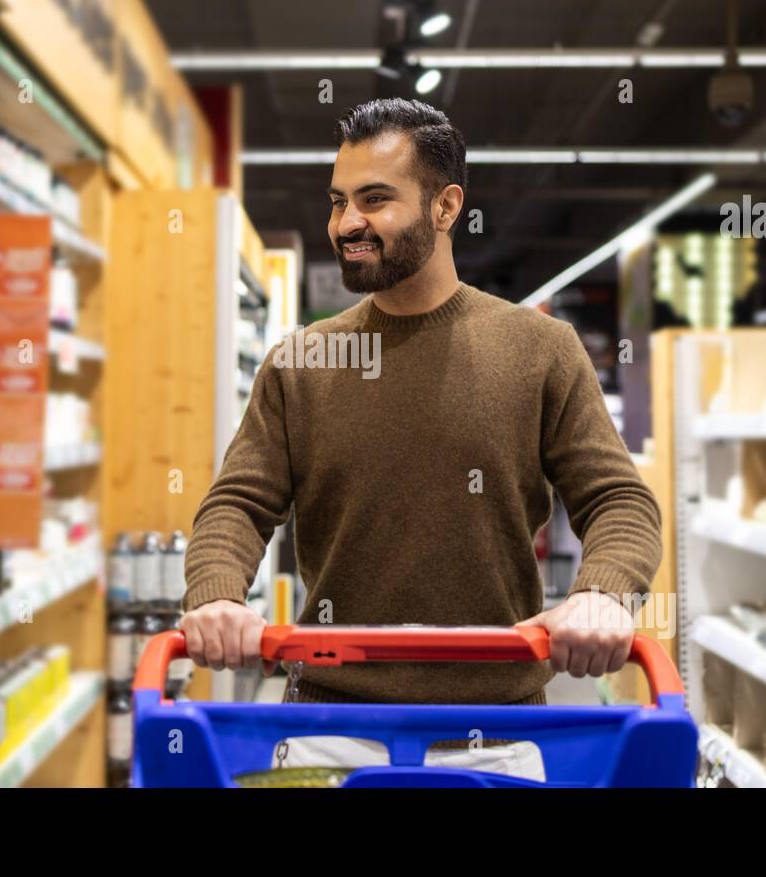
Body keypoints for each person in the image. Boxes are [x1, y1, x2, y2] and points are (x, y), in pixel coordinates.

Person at [179, 98, 662, 781]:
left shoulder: (539, 350)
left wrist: (603, 593)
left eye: (375, 200)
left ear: (445, 206)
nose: (348, 223)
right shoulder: (301, 361)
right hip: (328, 721)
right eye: (339, 201)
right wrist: (217, 593)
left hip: (497, 727)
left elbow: (619, 500)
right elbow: (236, 504)